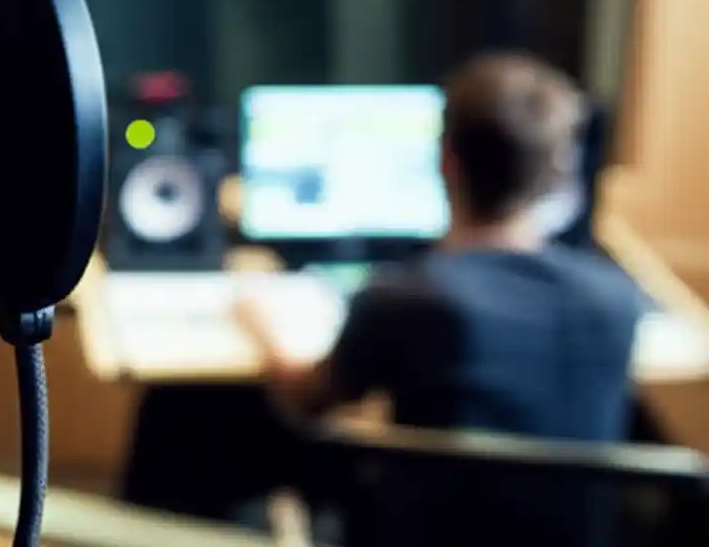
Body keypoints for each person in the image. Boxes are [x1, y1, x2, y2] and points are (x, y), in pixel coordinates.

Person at [238, 52, 646, 546]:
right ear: (557, 174)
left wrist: (264, 321)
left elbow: (309, 401)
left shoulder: (406, 297)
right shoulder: (617, 302)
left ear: (445, 160)